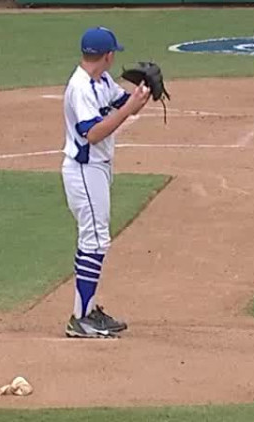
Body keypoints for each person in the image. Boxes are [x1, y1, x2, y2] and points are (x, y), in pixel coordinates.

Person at [60, 26, 152, 338]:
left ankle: (86, 311)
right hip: (84, 171)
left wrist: (143, 93)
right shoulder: (81, 87)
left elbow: (126, 103)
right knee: (95, 240)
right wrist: (128, 109)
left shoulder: (102, 81)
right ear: (108, 55)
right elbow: (93, 132)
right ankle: (80, 318)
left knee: (94, 239)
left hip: (97, 170)